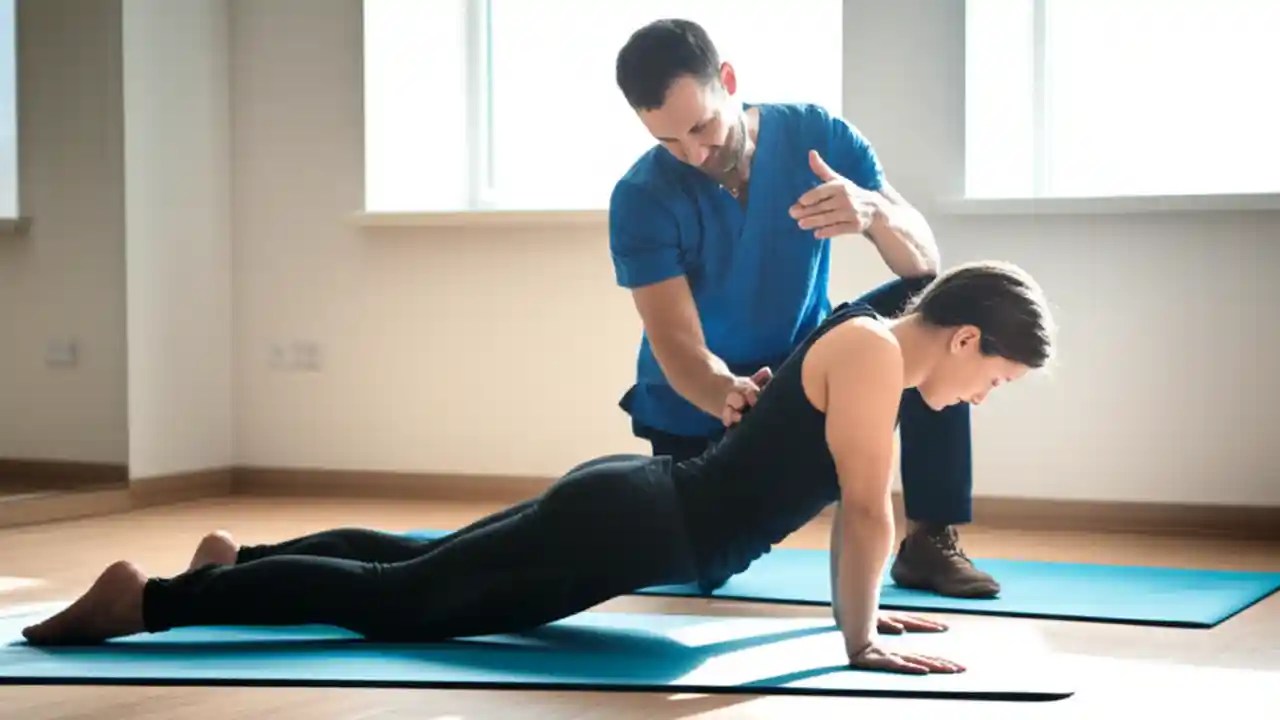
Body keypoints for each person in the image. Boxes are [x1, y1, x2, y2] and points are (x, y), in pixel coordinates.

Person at [22, 261, 1055, 677]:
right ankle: (150, 601)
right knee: (405, 605)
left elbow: (854, 507)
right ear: (962, 340)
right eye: (997, 377)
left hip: (638, 505)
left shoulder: (873, 338)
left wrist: (872, 612)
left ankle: (237, 558)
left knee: (419, 562)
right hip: (639, 524)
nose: (984, 397)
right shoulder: (876, 353)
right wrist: (862, 638)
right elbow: (867, 514)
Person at [610, 19, 998, 598]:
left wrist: (874, 213)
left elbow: (924, 262)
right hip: (703, 406)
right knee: (703, 570)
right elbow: (676, 345)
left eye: (701, 126)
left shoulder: (817, 137)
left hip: (803, 367)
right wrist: (729, 393)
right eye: (668, 141)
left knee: (940, 310)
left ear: (728, 80)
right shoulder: (642, 197)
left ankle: (929, 541)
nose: (694, 153)